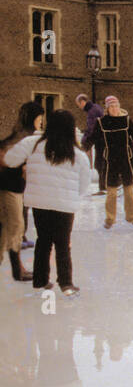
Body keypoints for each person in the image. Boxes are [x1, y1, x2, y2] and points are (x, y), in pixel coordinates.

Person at [2, 109, 95, 296]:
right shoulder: (77, 153)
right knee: (63, 244)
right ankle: (66, 283)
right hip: (65, 205)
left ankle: (40, 280)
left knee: (43, 242)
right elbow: (85, 182)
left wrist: (27, 166)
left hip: (40, 202)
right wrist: (73, 196)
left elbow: (10, 160)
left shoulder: (33, 143)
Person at [1, 101, 44, 282]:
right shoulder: (24, 138)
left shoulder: (20, 136)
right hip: (10, 187)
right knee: (16, 226)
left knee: (7, 228)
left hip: (15, 187)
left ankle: (17, 268)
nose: (41, 122)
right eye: (40, 118)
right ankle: (18, 269)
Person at [93, 96, 133, 229]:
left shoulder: (126, 120)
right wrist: (81, 148)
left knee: (129, 191)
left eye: (116, 105)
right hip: (111, 160)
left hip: (126, 160)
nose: (114, 109)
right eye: (111, 106)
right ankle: (110, 218)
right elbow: (93, 138)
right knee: (111, 192)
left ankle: (132, 217)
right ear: (107, 109)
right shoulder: (101, 122)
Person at [75, 94, 106, 193]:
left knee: (99, 164)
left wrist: (85, 141)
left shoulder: (92, 112)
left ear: (82, 102)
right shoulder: (95, 108)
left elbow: (92, 129)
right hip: (102, 140)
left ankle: (103, 187)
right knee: (101, 163)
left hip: (100, 141)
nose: (78, 107)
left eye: (78, 104)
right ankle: (104, 187)